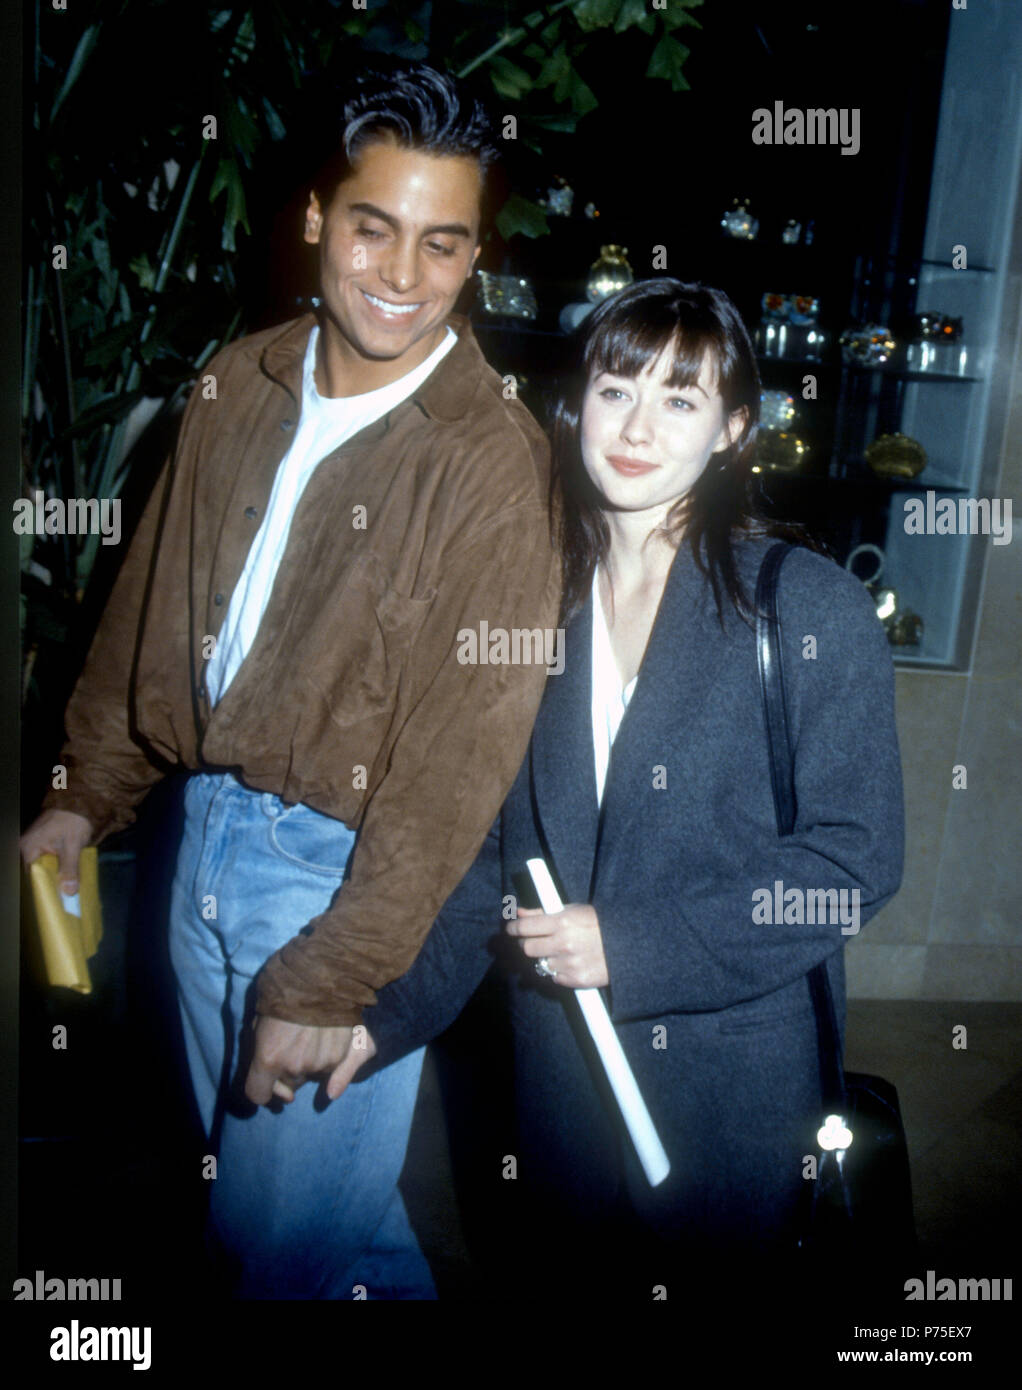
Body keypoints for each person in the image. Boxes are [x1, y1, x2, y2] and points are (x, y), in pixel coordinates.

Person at [18, 64, 561, 1299]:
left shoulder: (491, 465)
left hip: (339, 882)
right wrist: (82, 793)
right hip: (197, 844)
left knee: (271, 1259)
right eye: (374, 228)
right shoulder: (237, 383)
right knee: (316, 1228)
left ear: (473, 257)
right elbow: (145, 621)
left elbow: (455, 773)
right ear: (316, 217)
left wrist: (336, 971)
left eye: (443, 245)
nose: (402, 277)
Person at [334, 277, 905, 1300]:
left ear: (732, 430)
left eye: (679, 400)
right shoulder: (536, 605)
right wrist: (382, 1015)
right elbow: (490, 856)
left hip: (729, 1091)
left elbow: (852, 862)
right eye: (615, 388)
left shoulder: (803, 605)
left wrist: (631, 944)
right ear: (573, 403)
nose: (637, 427)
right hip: (557, 1091)